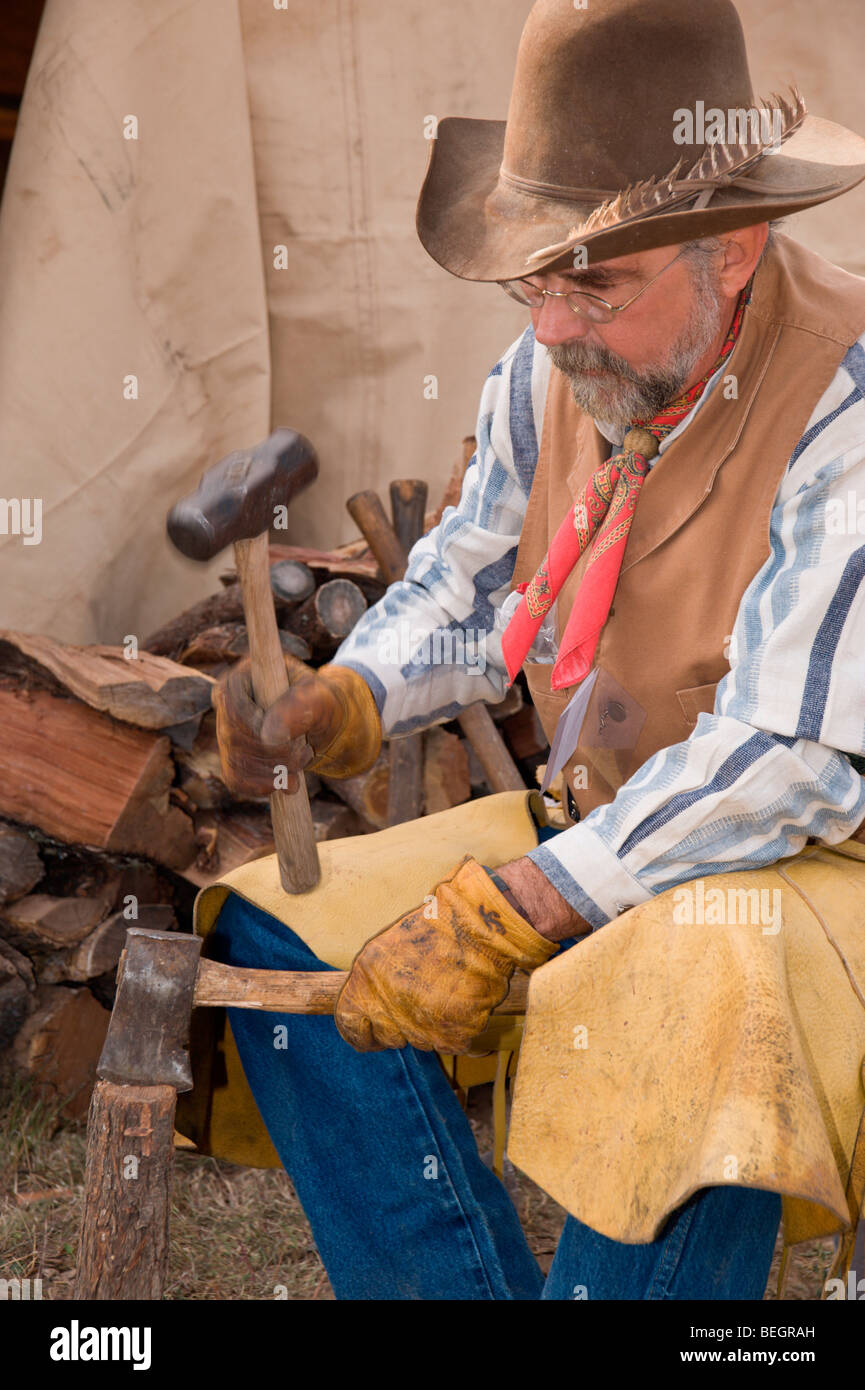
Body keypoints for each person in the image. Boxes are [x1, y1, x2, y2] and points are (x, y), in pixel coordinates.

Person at [201, 0, 865, 1299]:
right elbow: (470, 580)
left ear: (731, 247)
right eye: (533, 282)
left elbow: (787, 755)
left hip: (822, 861)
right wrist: (348, 695)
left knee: (696, 983)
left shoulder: (844, 396)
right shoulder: (549, 369)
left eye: (595, 284)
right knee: (282, 936)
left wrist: (532, 901)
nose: (552, 328)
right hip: (604, 818)